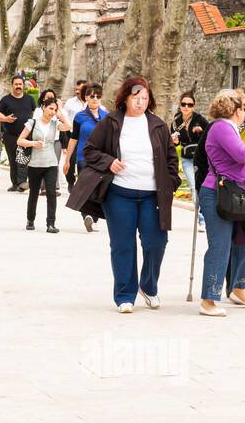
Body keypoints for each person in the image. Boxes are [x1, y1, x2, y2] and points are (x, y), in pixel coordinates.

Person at [77, 76, 180, 313]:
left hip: (152, 196)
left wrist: (170, 183)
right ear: (125, 97)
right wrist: (109, 161)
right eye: (136, 98)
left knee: (156, 243)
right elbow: (90, 151)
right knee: (123, 245)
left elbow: (171, 159)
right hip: (119, 194)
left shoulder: (157, 125)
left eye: (145, 98)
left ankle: (149, 285)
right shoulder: (111, 122)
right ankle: (125, 295)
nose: (141, 102)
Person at [197, 89, 245, 317]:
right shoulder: (221, 127)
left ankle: (238, 288)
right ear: (237, 110)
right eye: (244, 108)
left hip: (238, 191)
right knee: (220, 246)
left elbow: (239, 162)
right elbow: (241, 155)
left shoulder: (229, 128)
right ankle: (209, 300)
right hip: (219, 192)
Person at [16, 97, 65, 233]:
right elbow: (20, 141)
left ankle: (51, 224)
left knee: (51, 193)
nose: (52, 112)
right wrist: (33, 143)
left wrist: (60, 112)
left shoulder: (55, 124)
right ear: (43, 107)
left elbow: (69, 126)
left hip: (51, 163)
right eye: (50, 108)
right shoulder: (32, 122)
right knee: (34, 193)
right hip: (35, 164)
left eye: (54, 110)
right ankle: (30, 220)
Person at [64, 83, 107, 232]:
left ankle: (94, 218)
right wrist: (67, 159)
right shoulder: (80, 116)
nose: (95, 98)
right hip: (83, 157)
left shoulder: (106, 116)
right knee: (85, 187)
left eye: (98, 96)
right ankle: (87, 216)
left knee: (98, 188)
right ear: (86, 98)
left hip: (101, 158)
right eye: (92, 96)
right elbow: (73, 139)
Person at [0, 75, 37, 192]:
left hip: (26, 136)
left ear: (23, 85)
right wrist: (5, 119)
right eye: (16, 84)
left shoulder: (29, 99)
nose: (18, 86)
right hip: (10, 135)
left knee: (26, 159)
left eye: (20, 84)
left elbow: (35, 113)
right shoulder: (5, 100)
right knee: (13, 159)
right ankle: (15, 183)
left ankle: (22, 182)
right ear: (12, 85)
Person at [171, 93, 209, 200]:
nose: (186, 107)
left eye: (190, 105)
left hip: (201, 158)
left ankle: (201, 214)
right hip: (186, 158)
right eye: (184, 104)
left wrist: (201, 132)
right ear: (180, 105)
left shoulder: (200, 120)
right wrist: (175, 141)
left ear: (194, 106)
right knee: (193, 187)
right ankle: (200, 215)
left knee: (202, 186)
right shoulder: (176, 121)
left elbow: (211, 135)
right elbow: (175, 143)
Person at [61, 80, 88, 192]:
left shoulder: (91, 102)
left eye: (80, 90)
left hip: (86, 137)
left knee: (83, 162)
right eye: (76, 89)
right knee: (71, 161)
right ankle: (70, 182)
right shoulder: (70, 102)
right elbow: (64, 117)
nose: (77, 92)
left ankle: (82, 185)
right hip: (72, 134)